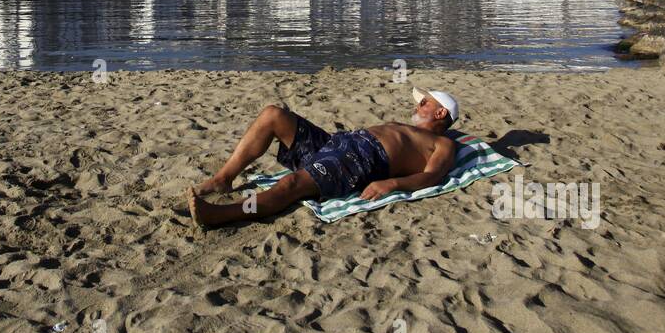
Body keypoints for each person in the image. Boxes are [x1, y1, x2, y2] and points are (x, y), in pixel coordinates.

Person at [187, 88, 460, 229]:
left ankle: (220, 214)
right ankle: (223, 180)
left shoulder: (443, 143)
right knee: (273, 115)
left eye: (425, 102)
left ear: (440, 114)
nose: (418, 104)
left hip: (361, 160)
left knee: (292, 184)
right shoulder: (407, 127)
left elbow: (432, 176)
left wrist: (392, 184)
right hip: (337, 142)